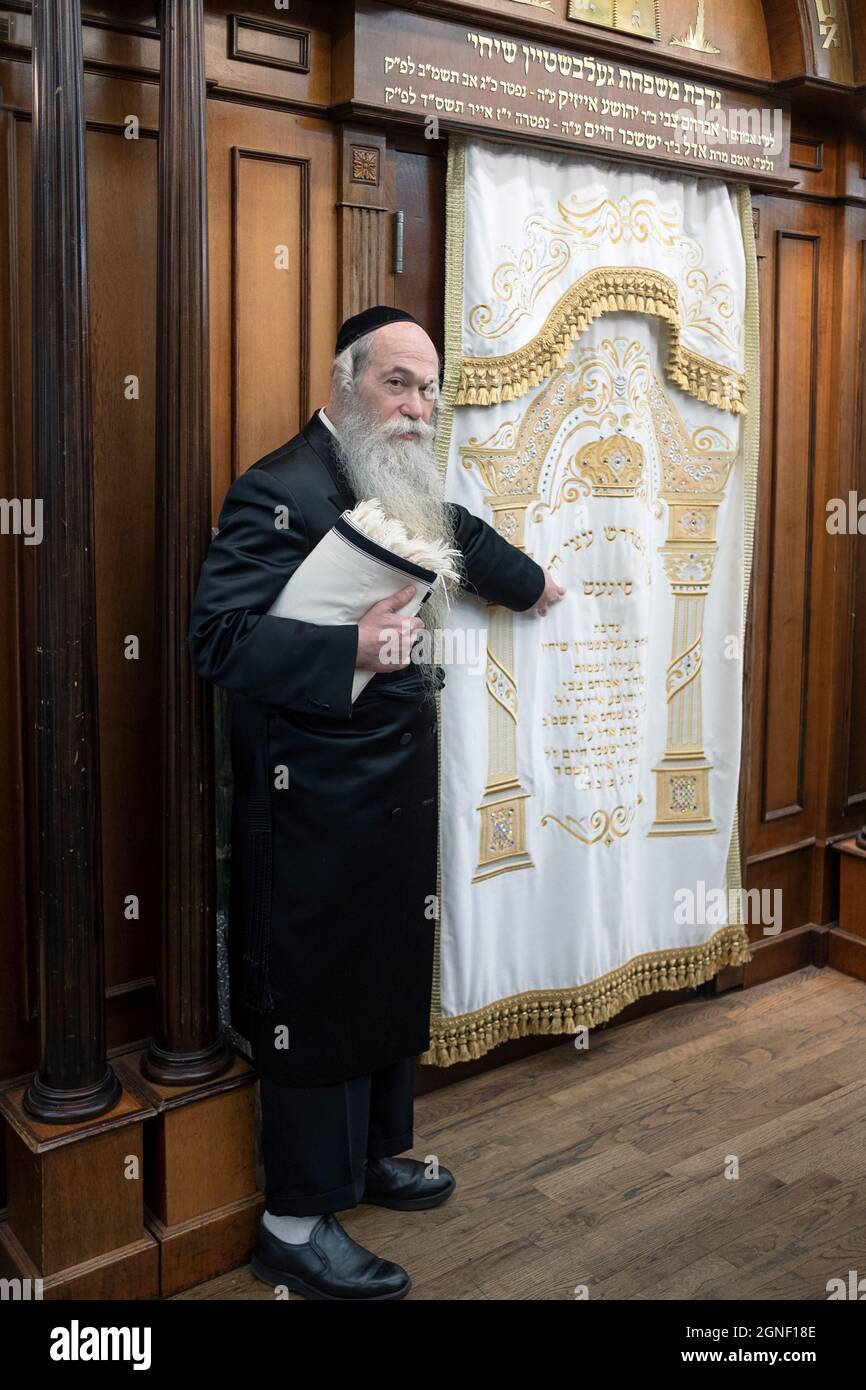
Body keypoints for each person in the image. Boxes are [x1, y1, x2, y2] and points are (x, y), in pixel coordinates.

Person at [187, 305, 565, 1300]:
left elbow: (454, 536)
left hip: (391, 788)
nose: (417, 405)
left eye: (429, 387)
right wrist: (346, 649)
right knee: (316, 998)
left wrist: (532, 586)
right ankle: (293, 1221)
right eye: (398, 382)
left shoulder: (395, 472)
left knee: (383, 972)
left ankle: (368, 1160)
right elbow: (214, 642)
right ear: (344, 379)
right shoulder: (275, 486)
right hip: (303, 800)